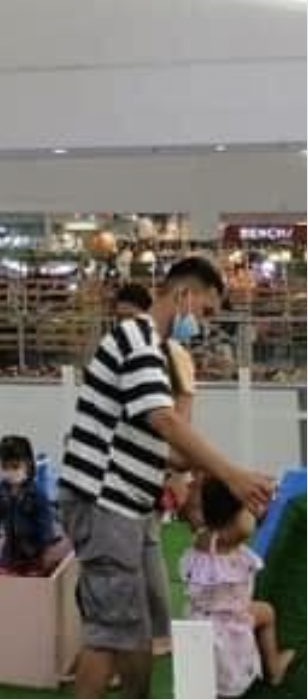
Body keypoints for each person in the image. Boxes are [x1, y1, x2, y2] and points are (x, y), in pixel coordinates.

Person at [60, 256, 275, 699]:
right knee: (108, 631)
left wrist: (220, 475)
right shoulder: (138, 341)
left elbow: (168, 448)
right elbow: (166, 422)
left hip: (125, 505)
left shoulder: (153, 350)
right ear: (184, 296)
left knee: (134, 627)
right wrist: (230, 475)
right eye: (206, 312)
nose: (204, 323)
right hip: (106, 503)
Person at [182, 478, 297, 697]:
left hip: (200, 618)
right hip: (230, 621)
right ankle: (274, 668)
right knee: (267, 612)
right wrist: (266, 494)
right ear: (235, 515)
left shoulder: (201, 536)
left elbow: (198, 510)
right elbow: (249, 522)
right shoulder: (231, 538)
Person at [0, 435, 60, 575]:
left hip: (35, 554)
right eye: (5, 467)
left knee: (33, 578)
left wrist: (47, 550)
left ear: (28, 464)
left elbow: (45, 522)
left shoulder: (36, 493)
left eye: (15, 467)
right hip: (10, 553)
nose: (10, 472)